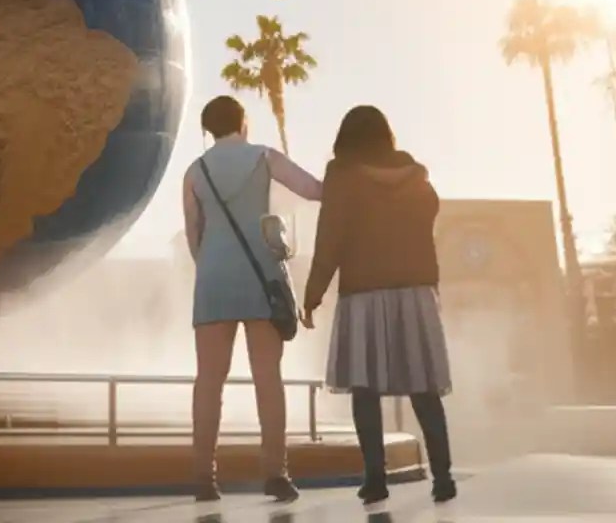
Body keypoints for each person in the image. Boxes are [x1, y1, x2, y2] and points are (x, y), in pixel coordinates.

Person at [300, 105, 455, 505]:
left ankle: (375, 479)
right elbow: (427, 222)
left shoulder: (342, 175)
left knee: (364, 388)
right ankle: (443, 476)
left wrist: (313, 294)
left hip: (364, 291)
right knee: (424, 386)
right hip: (414, 290)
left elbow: (330, 236)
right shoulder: (417, 177)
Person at [181, 96, 323, 502]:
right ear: (243, 122)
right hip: (261, 277)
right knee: (268, 379)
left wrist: (210, 265)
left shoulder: (195, 171)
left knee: (209, 380)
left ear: (208, 129)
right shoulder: (264, 157)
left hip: (213, 280)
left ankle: (204, 478)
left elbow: (193, 231)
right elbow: (312, 189)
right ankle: (276, 473)